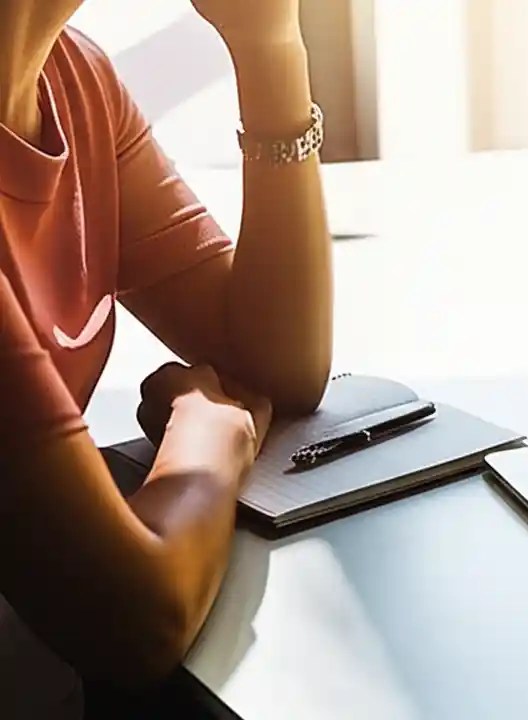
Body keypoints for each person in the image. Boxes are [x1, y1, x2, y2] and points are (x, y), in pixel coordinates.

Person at [0, 0, 333, 716]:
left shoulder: (71, 78)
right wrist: (209, 431)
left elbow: (277, 368)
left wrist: (269, 45)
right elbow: (136, 623)